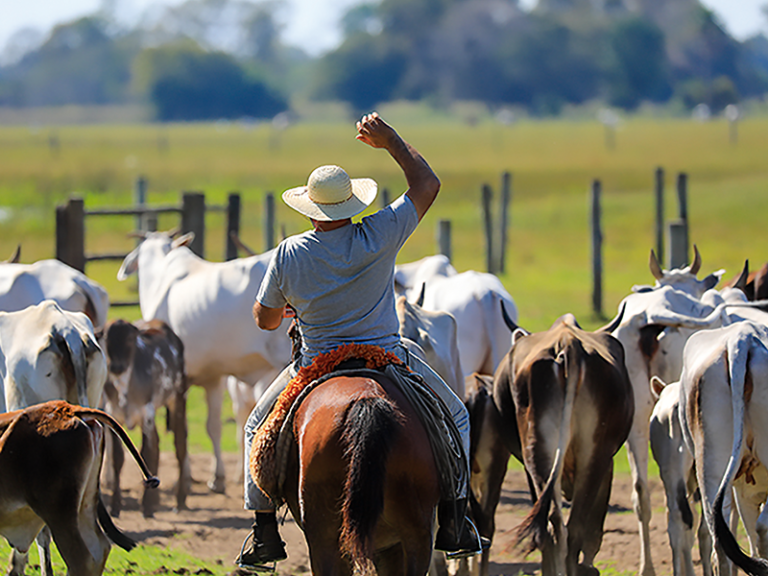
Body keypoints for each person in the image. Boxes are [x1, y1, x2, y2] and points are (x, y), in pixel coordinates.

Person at [237, 112, 485, 571]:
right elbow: (427, 185)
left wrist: (291, 307)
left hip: (316, 366)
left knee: (256, 427)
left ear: (309, 209)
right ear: (351, 205)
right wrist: (390, 141)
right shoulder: (380, 232)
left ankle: (264, 532)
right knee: (456, 416)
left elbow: (265, 320)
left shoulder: (291, 252)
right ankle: (455, 519)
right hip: (387, 358)